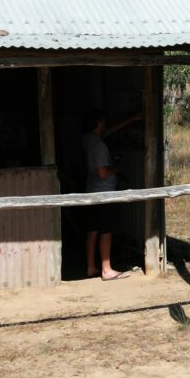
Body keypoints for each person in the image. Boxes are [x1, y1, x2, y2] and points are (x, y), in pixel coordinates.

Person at [81, 108, 140, 280]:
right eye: (103, 121)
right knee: (106, 230)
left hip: (91, 191)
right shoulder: (98, 145)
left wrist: (133, 117)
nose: (105, 124)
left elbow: (109, 131)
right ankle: (106, 270)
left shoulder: (88, 140)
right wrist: (116, 167)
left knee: (92, 230)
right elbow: (102, 172)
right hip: (104, 193)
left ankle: (91, 267)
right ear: (99, 122)